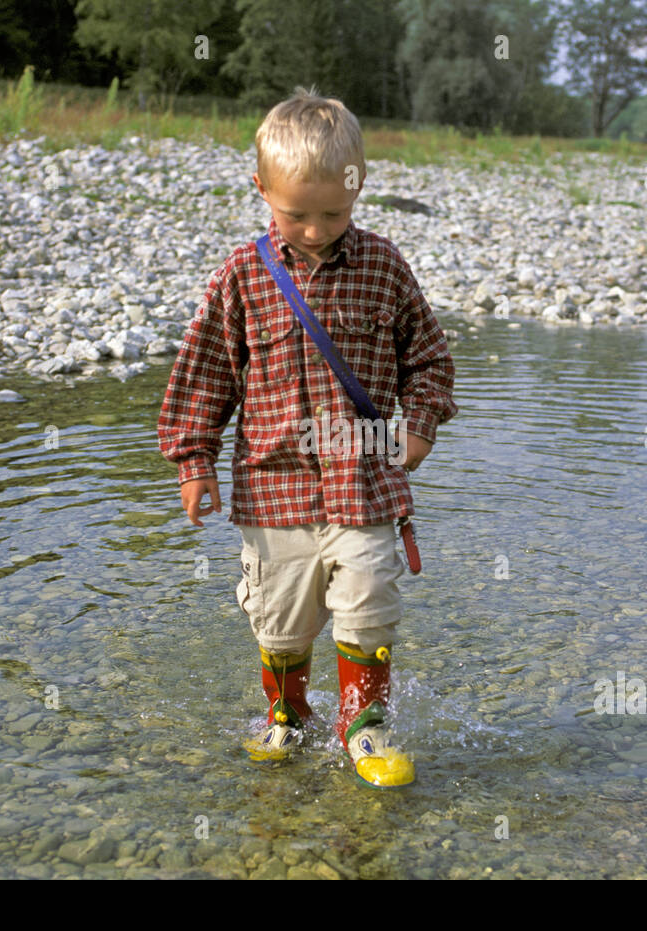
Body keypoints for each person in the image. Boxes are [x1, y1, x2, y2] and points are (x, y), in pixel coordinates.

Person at [156, 87, 457, 788]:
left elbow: (429, 359)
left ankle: (365, 724)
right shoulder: (242, 276)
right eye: (297, 215)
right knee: (280, 621)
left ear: (358, 186)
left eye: (334, 214)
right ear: (260, 188)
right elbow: (204, 373)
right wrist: (193, 460)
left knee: (369, 601)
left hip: (365, 483)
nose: (316, 230)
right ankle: (288, 715)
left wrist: (420, 423)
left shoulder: (384, 267)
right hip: (273, 490)